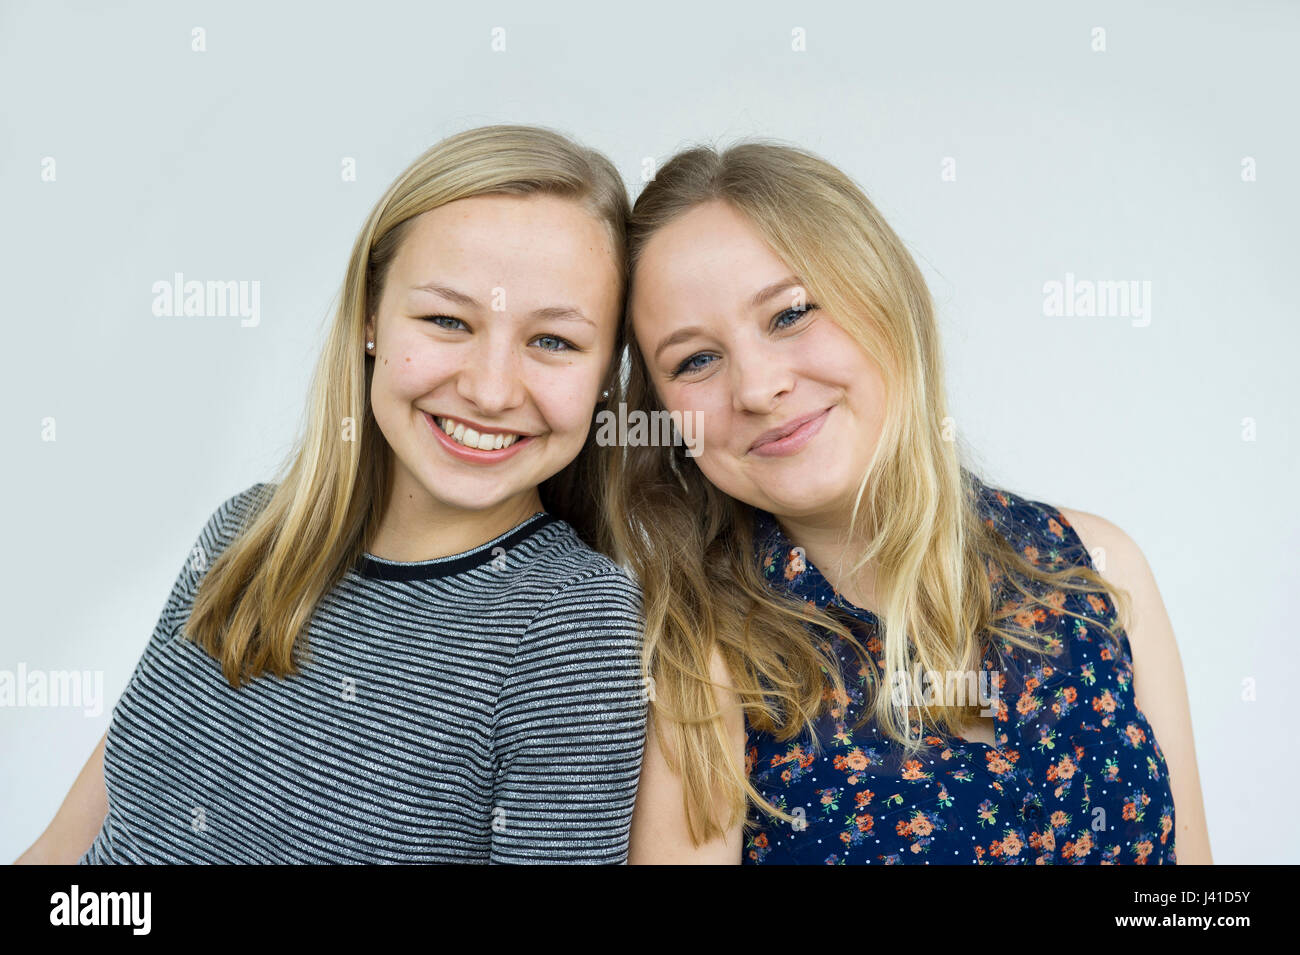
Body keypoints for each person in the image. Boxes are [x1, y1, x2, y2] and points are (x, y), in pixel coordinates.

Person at [16, 125, 647, 864]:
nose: (489, 389)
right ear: (371, 318)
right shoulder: (248, 531)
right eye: (447, 320)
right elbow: (65, 847)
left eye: (554, 342)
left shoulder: (573, 625)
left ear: (606, 373)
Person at [607, 141, 1212, 864]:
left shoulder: (1096, 566)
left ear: (883, 296)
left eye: (790, 313)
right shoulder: (694, 666)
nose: (757, 387)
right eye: (696, 360)